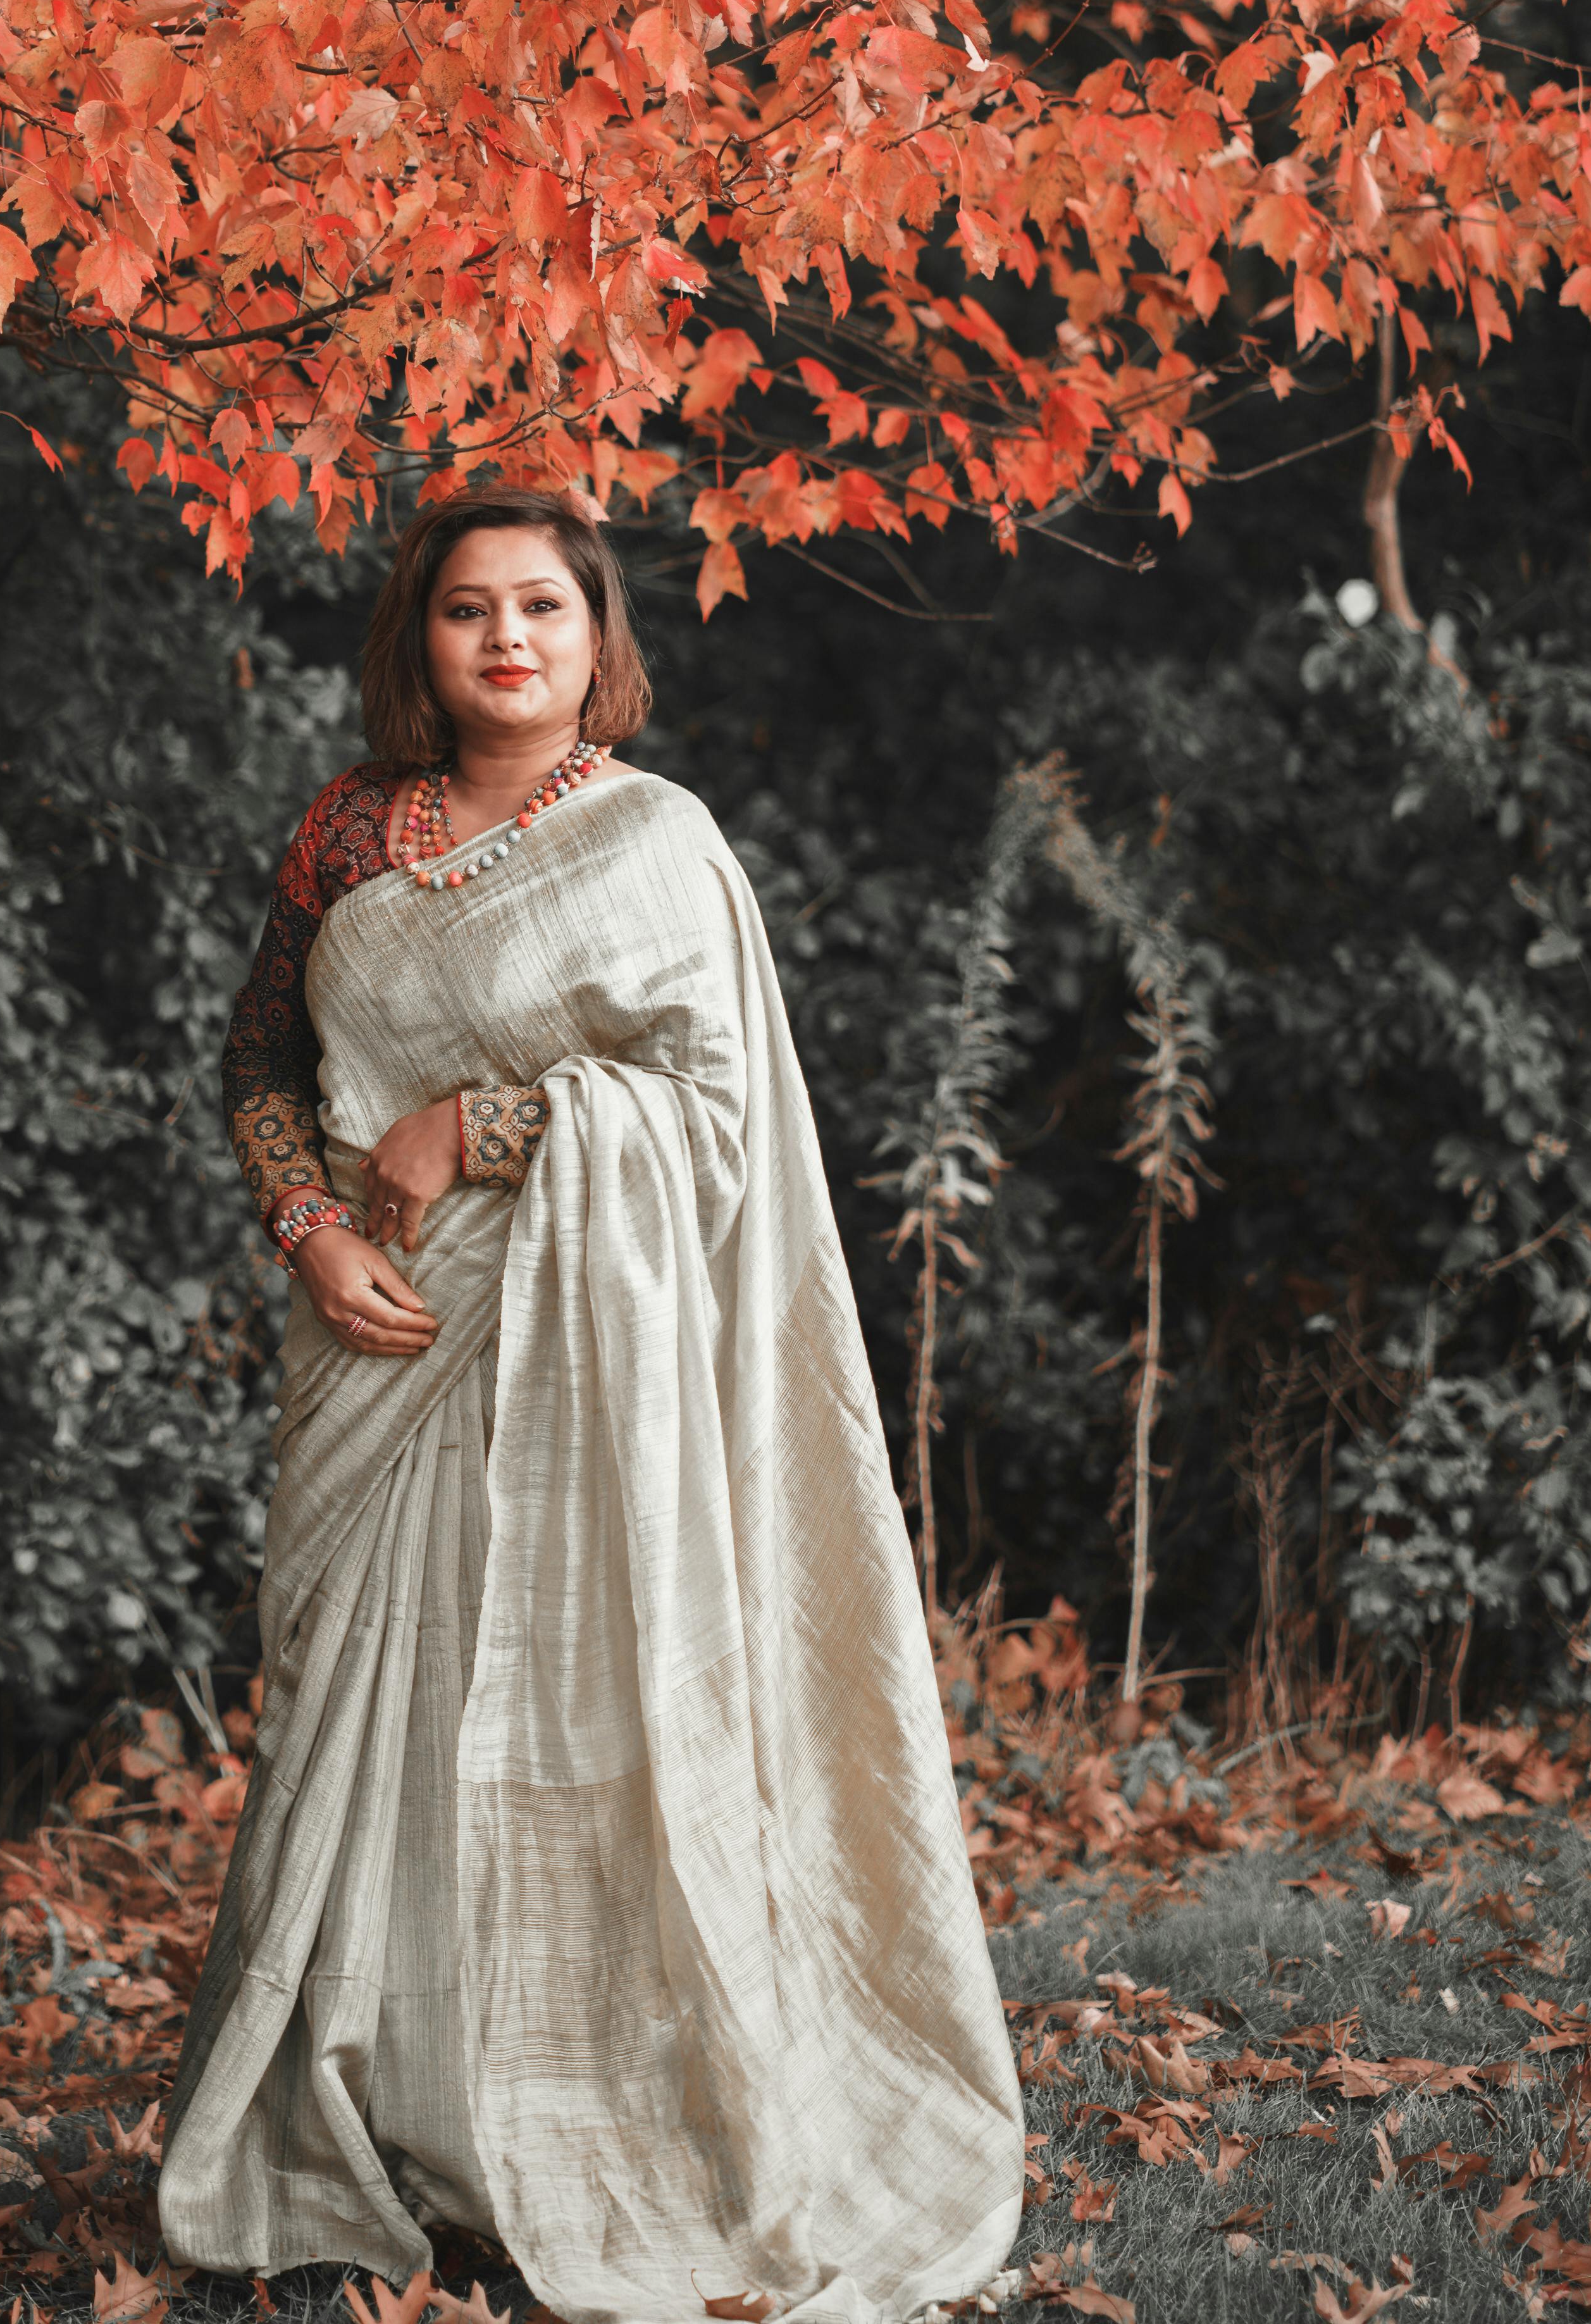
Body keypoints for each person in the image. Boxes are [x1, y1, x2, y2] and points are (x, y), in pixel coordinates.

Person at [157, 489, 1025, 2323]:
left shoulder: (658, 843)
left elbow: (711, 1119)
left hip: (583, 1339)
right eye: (467, 609)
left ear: (594, 633)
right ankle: (368, 2117)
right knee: (362, 1715)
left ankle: (568, 2112)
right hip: (377, 1337)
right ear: (425, 639)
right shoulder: (340, 834)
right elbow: (254, 1054)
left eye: (541, 606)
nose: (506, 641)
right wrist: (312, 1227)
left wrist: (469, 1124)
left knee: (557, 1696)